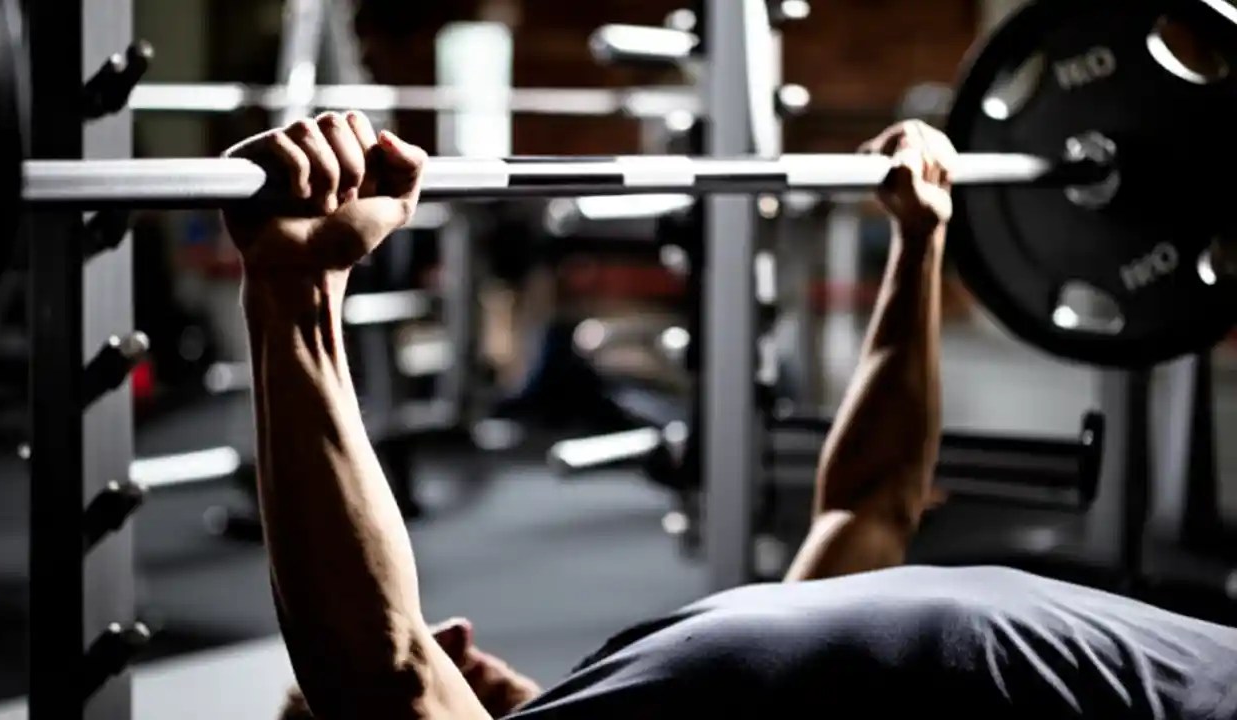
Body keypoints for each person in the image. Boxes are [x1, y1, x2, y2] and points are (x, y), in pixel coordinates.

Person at [220, 112, 1237, 720]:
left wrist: (918, 245)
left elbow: (871, 504)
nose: (453, 632)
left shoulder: (658, 675)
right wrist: (294, 290)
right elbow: (384, 671)